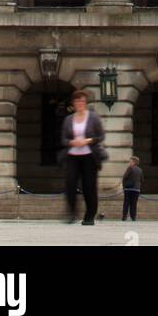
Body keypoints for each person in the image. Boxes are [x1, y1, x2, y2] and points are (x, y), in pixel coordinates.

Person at [61, 88, 106, 226]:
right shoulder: (68, 119)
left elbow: (100, 136)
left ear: (85, 102)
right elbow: (64, 138)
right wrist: (71, 142)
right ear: (73, 103)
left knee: (89, 187)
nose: (80, 103)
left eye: (82, 100)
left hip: (89, 156)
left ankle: (89, 215)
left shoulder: (93, 117)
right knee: (70, 184)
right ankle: (72, 213)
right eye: (77, 100)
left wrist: (87, 141)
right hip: (73, 155)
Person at [121, 155, 142, 222]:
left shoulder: (130, 168)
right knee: (134, 204)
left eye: (130, 161)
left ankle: (124, 217)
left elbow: (124, 177)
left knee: (126, 203)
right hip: (137, 189)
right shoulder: (140, 170)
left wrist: (124, 186)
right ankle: (133, 217)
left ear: (134, 162)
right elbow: (142, 179)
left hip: (129, 189)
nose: (129, 163)